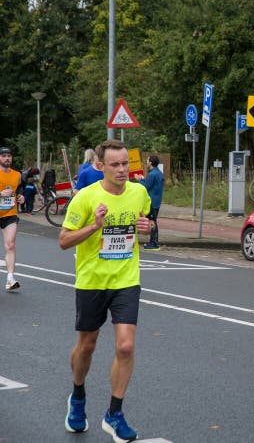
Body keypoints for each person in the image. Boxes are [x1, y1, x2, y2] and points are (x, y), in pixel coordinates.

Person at [59, 139, 151, 442]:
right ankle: (78, 397)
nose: (123, 169)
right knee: (87, 347)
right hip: (92, 281)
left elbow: (143, 228)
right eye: (115, 164)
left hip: (126, 279)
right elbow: (64, 240)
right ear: (101, 166)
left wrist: (147, 230)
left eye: (125, 163)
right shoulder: (85, 198)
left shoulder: (139, 193)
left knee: (125, 347)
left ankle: (114, 413)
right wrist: (94, 227)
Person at [0, 146, 24, 291]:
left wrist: (21, 196)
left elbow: (20, 187)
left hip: (9, 213)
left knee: (10, 245)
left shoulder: (17, 175)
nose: (7, 158)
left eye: (9, 156)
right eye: (3, 156)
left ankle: (10, 278)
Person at [135, 155, 164, 250]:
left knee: (152, 222)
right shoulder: (158, 172)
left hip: (152, 201)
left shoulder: (152, 174)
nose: (146, 163)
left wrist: (140, 180)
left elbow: (145, 188)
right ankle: (153, 242)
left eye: (147, 161)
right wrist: (143, 179)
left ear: (151, 163)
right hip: (157, 200)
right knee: (153, 221)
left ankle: (154, 243)